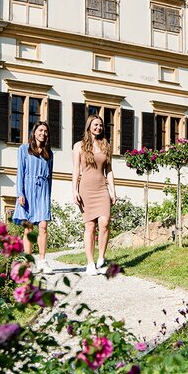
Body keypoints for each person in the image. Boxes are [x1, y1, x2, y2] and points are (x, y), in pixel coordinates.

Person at [73, 113, 115, 275]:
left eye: (101, 125)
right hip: (85, 189)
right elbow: (76, 170)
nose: (99, 127)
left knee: (104, 223)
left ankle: (101, 258)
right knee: (90, 226)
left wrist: (113, 191)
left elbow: (109, 170)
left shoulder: (106, 145)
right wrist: (74, 190)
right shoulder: (79, 146)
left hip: (101, 188)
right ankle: (90, 263)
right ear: (89, 126)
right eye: (96, 124)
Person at [13, 121, 54, 273]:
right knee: (28, 228)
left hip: (43, 191)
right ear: (34, 132)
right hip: (28, 190)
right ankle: (28, 262)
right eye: (40, 130)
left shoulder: (49, 153)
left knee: (43, 226)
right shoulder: (24, 149)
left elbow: (50, 177)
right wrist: (20, 193)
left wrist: (48, 197)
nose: (43, 133)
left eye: (45, 131)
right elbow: (20, 172)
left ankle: (42, 261)